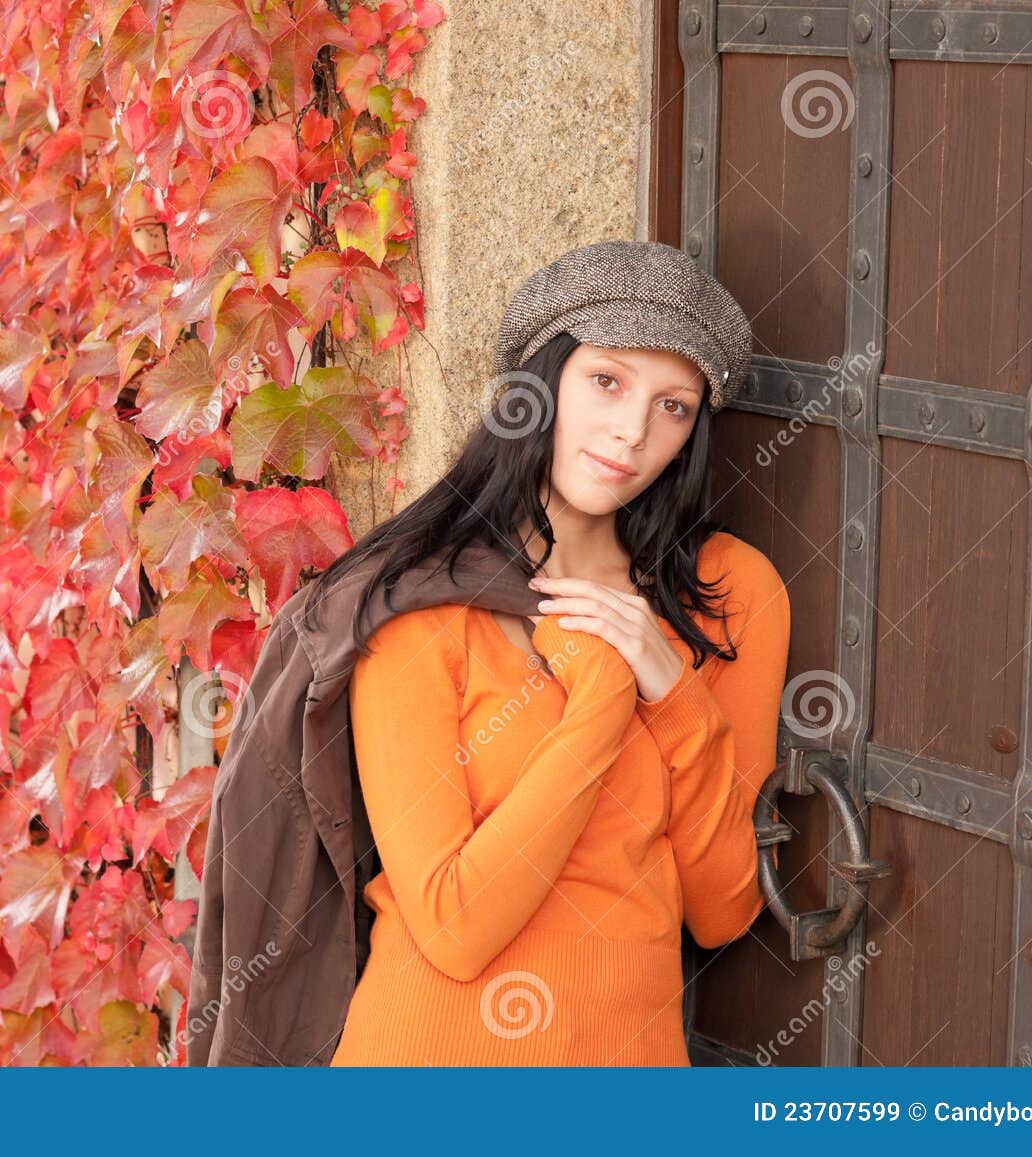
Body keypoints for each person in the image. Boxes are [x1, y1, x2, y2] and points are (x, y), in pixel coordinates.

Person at [297, 239, 792, 1065]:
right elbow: (454, 926)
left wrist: (672, 691)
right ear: (538, 387)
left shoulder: (731, 591)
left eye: (675, 405)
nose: (633, 431)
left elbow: (724, 908)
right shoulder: (423, 597)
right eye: (607, 381)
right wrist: (605, 683)